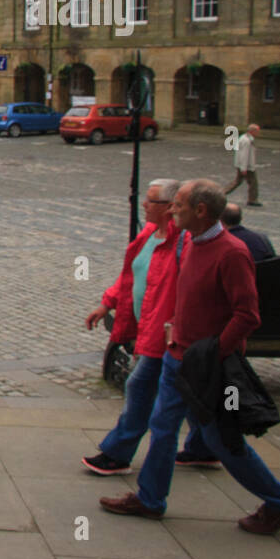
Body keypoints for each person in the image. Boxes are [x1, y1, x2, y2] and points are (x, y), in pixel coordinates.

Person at [100, 179, 280, 535]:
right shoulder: (189, 243)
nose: (171, 210)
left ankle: (277, 501)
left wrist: (212, 353)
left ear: (200, 211)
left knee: (222, 441)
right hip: (176, 356)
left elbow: (248, 316)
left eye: (178, 205)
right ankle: (150, 499)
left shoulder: (231, 253)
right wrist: (173, 325)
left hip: (206, 367)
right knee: (163, 426)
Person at [82, 179, 214, 474]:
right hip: (149, 328)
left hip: (166, 336)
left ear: (169, 208)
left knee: (139, 388)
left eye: (150, 201)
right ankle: (205, 447)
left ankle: (118, 453)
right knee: (188, 395)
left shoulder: (186, 243)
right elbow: (130, 276)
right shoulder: (148, 235)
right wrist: (107, 303)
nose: (143, 205)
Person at [225, 123, 261, 206]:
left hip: (243, 165)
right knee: (253, 183)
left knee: (237, 182)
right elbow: (244, 155)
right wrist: (243, 168)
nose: (258, 133)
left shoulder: (245, 138)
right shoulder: (246, 141)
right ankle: (252, 199)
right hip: (247, 166)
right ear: (253, 131)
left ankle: (223, 192)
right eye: (257, 131)